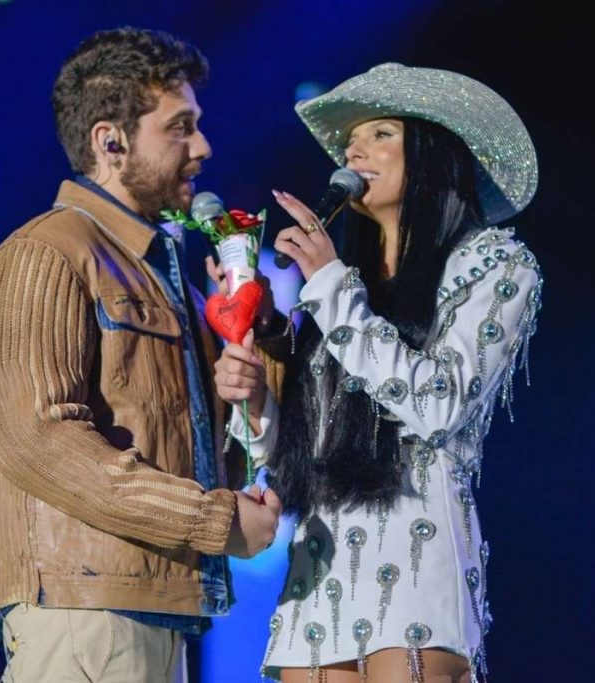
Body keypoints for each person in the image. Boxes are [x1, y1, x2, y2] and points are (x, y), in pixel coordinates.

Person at [0, 27, 281, 683]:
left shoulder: (171, 281)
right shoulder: (45, 252)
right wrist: (213, 518)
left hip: (153, 614)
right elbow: (40, 438)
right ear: (110, 141)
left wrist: (260, 347)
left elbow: (213, 447)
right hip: (83, 611)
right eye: (181, 127)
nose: (204, 147)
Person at [214, 63, 542, 682]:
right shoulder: (345, 285)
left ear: (432, 152)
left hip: (417, 558)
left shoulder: (494, 262)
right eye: (351, 141)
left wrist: (331, 287)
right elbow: (303, 450)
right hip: (321, 562)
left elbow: (440, 403)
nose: (354, 149)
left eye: (381, 133)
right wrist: (257, 401)